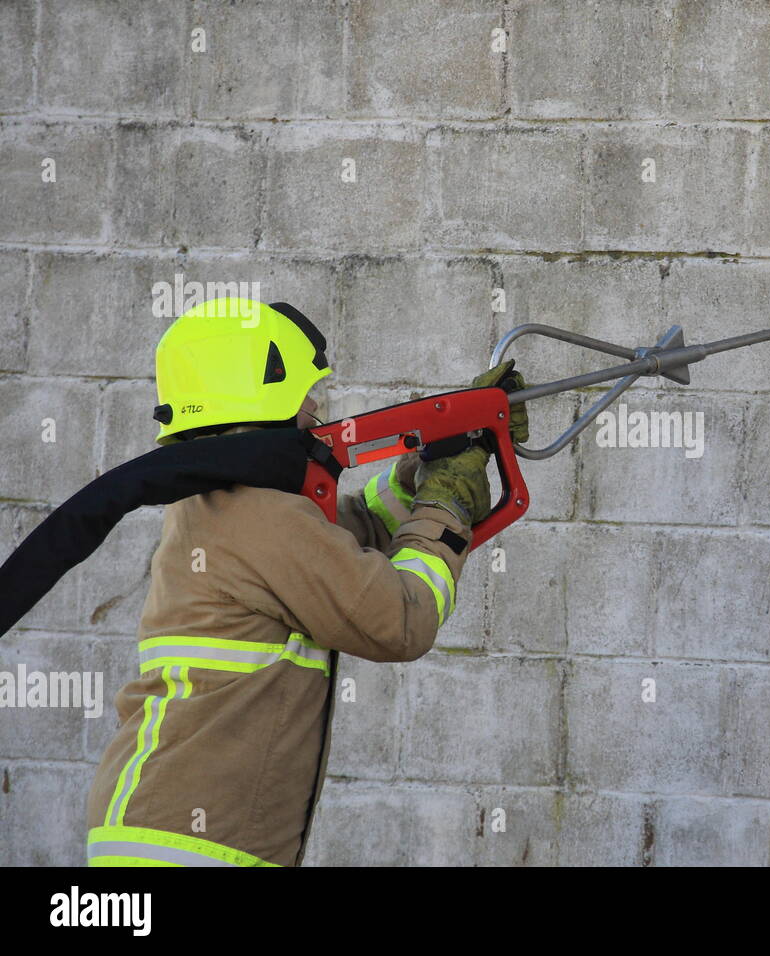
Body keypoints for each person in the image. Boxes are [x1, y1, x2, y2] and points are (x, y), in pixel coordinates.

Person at [84, 298, 527, 867]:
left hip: (172, 832)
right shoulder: (262, 519)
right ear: (261, 398)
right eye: (305, 399)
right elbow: (402, 618)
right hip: (187, 844)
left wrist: (433, 463)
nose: (316, 413)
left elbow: (346, 537)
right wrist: (449, 499)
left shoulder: (228, 506)